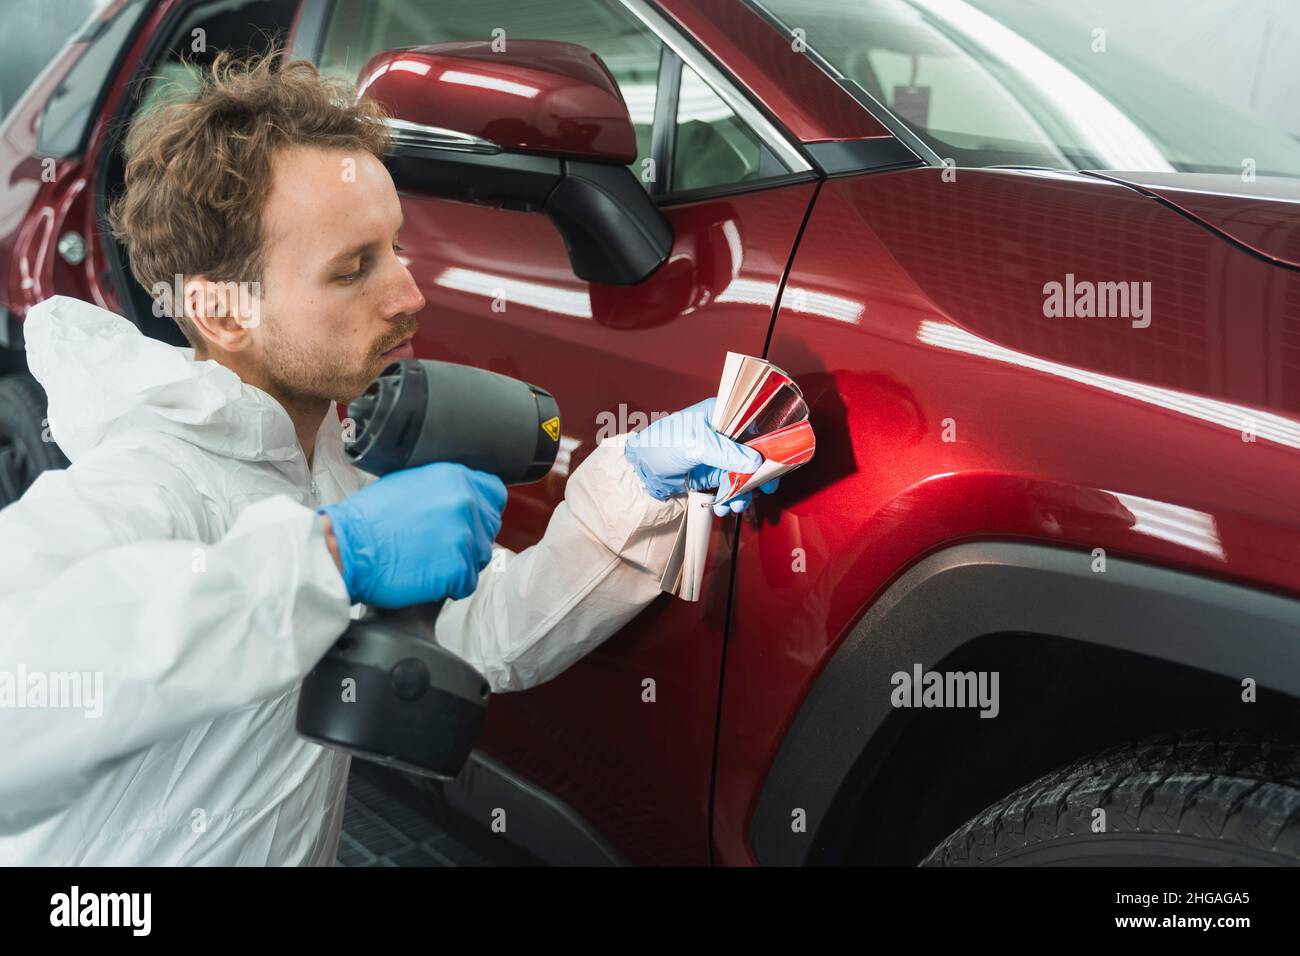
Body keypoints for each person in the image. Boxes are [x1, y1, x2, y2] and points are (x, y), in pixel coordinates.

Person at [0, 50, 775, 865]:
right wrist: (332, 559)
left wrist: (635, 489)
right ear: (223, 314)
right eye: (352, 268)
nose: (409, 294)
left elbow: (479, 635)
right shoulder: (149, 488)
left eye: (395, 248)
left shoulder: (326, 468)